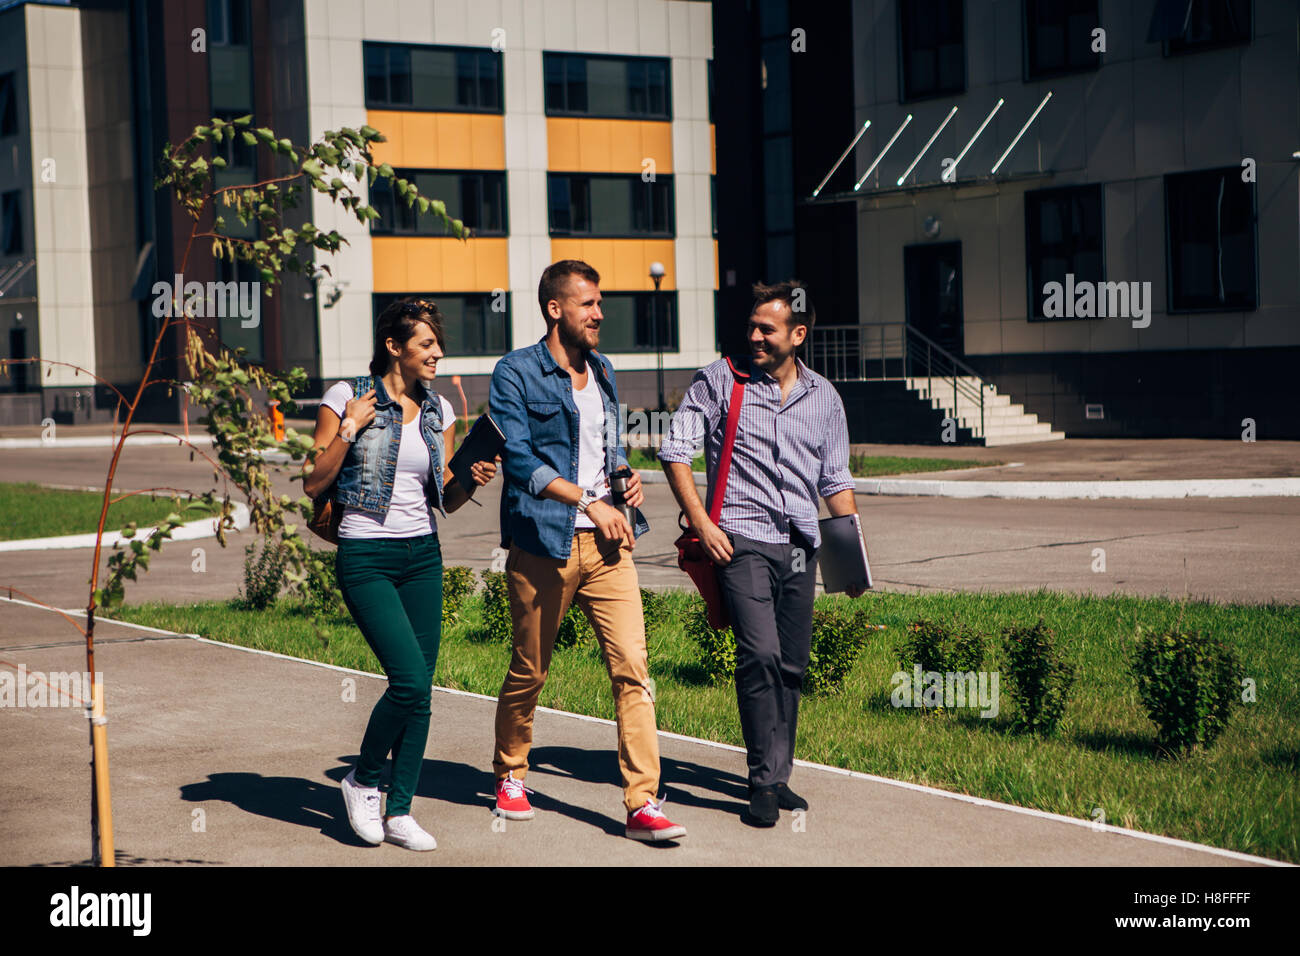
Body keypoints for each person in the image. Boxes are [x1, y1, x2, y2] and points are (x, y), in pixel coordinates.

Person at [487, 259, 686, 842]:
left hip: (607, 543)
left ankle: (642, 800)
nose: (600, 314)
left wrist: (624, 476)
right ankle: (511, 773)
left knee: (633, 669)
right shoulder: (515, 372)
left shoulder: (602, 368)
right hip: (544, 543)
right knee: (531, 668)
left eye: (600, 303)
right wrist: (587, 501)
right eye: (588, 304)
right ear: (556, 309)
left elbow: (605, 445)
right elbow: (518, 459)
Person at [659, 280, 864, 827]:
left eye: (765, 329)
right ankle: (760, 783)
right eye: (751, 326)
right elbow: (674, 449)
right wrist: (701, 522)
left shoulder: (824, 397)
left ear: (797, 335)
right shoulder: (720, 381)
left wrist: (852, 559)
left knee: (793, 665)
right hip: (740, 540)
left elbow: (835, 480)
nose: (753, 335)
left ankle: (778, 774)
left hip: (800, 547)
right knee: (761, 655)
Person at [303, 297, 496, 851]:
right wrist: (349, 428)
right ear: (395, 347)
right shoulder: (347, 397)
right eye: (427, 344)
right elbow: (314, 483)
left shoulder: (439, 412)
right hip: (366, 557)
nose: (438, 353)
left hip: (423, 557)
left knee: (422, 691)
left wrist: (473, 479)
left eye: (438, 343)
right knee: (408, 681)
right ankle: (362, 779)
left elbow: (447, 501)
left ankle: (400, 810)